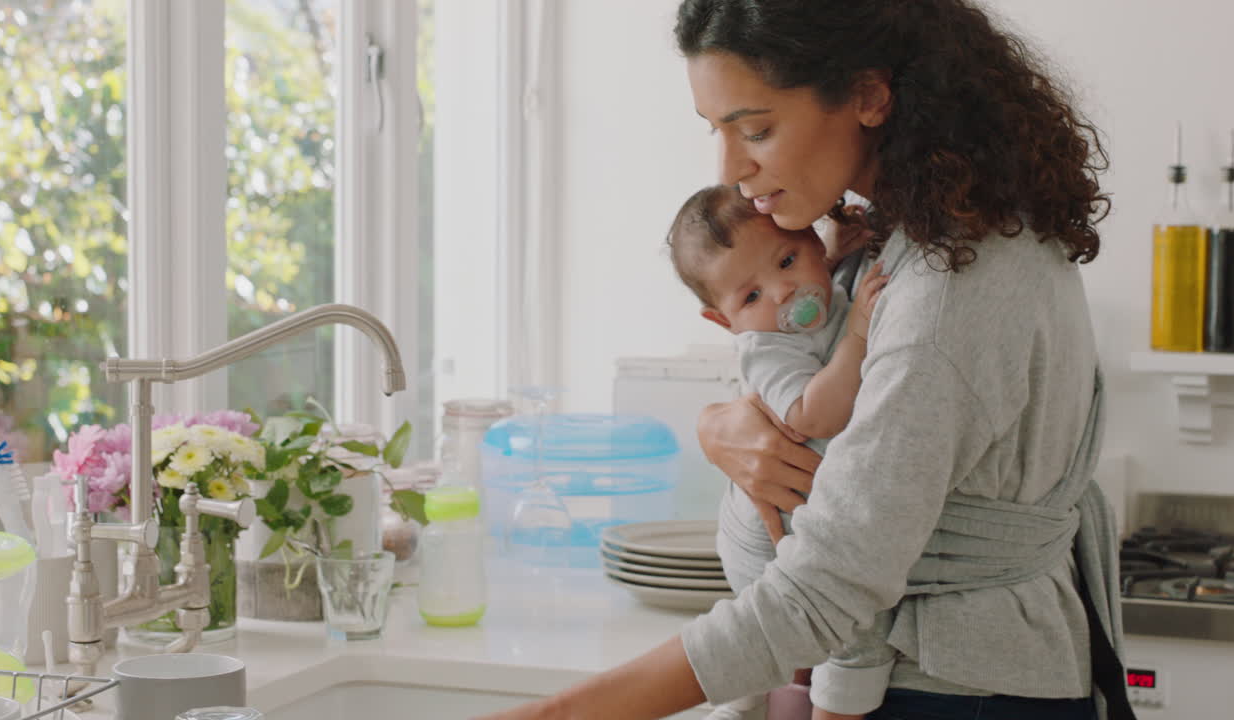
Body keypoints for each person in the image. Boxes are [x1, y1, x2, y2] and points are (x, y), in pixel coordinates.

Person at [480, 0, 1132, 718]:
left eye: (755, 129)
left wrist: (556, 714)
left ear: (869, 95)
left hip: (946, 690)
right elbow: (823, 393)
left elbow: (824, 590)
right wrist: (724, 421)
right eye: (717, 132)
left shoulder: (945, 290)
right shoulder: (915, 236)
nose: (730, 170)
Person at [666, 184, 889, 720]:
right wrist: (858, 334)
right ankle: (741, 707)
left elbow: (821, 292)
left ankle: (748, 701)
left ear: (813, 243)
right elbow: (815, 414)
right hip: (764, 541)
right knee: (834, 637)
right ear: (724, 321)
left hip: (799, 516)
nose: (783, 294)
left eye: (787, 260)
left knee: (788, 646)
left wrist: (840, 250)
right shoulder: (765, 347)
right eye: (750, 297)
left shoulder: (826, 290)